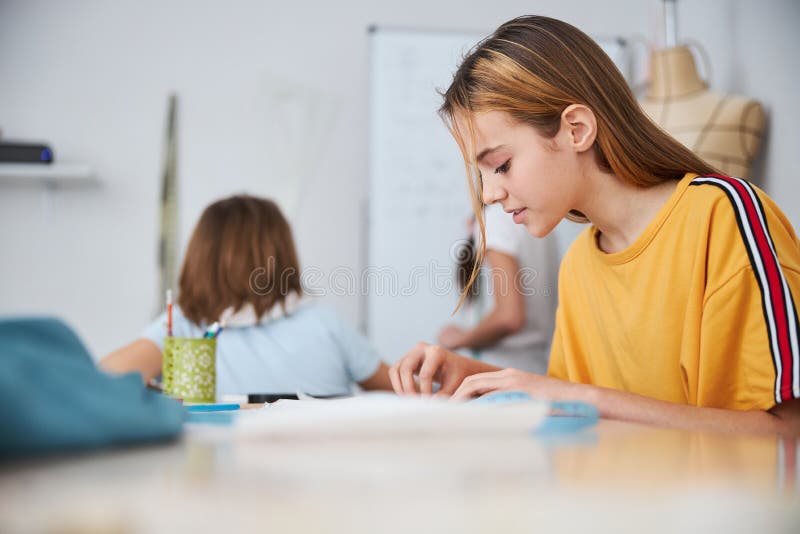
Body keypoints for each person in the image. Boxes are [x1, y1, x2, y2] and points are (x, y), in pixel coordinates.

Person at [389, 15, 800, 435]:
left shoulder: (725, 218)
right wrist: (471, 376)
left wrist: (580, 398)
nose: (490, 194)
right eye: (483, 176)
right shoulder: (580, 264)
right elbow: (579, 411)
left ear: (577, 130)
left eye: (501, 165)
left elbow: (786, 432)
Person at [101, 195, 392, 396]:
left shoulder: (180, 329)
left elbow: (94, 384)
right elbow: (410, 390)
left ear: (201, 258)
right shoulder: (325, 324)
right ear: (282, 255)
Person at [438, 204, 559, 374]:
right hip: (534, 369)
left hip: (498, 373)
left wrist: (460, 339)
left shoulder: (497, 218)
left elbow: (509, 317)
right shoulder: (539, 217)